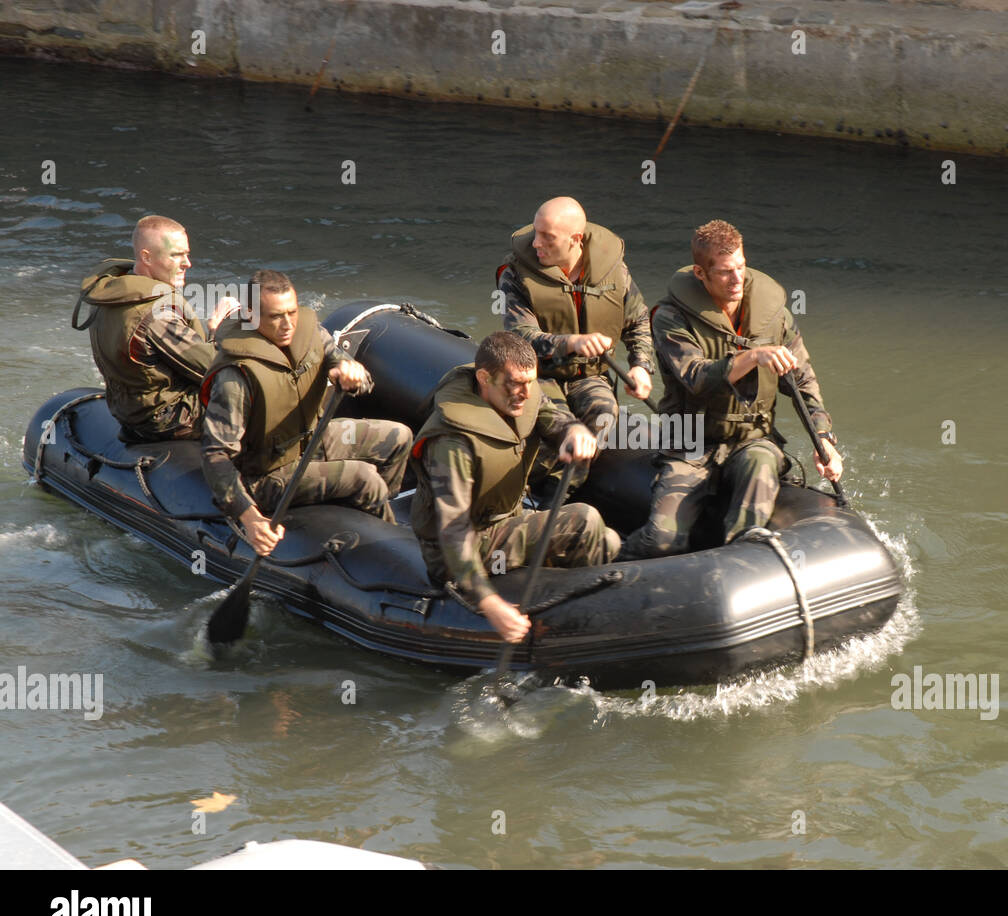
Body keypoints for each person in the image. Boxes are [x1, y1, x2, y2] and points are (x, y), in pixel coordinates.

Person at [617, 220, 843, 560]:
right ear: (700, 272)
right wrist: (752, 356)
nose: (737, 279)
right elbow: (695, 377)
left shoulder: (774, 317)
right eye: (724, 272)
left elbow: (803, 381)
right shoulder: (669, 318)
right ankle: (611, 561)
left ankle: (741, 560)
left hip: (751, 439)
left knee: (762, 461)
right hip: (689, 441)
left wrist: (823, 436)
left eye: (740, 267)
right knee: (662, 541)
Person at [409, 330, 621, 644]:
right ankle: (583, 625)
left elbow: (554, 417)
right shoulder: (451, 442)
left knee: (611, 541)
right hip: (459, 552)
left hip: (503, 522)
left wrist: (574, 430)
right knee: (584, 521)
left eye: (530, 382)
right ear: (484, 378)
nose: (524, 393)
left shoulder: (523, 395)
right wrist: (488, 600)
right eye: (515, 384)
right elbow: (453, 530)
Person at [200, 270, 412, 556]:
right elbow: (216, 455)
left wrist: (352, 374)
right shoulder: (235, 376)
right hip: (265, 474)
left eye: (292, 312)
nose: (287, 324)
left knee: (399, 437)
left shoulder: (312, 334)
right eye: (275, 316)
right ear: (250, 315)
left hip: (309, 441)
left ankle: (371, 520)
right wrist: (248, 516)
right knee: (364, 477)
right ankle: (394, 551)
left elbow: (360, 378)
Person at [497, 196, 655, 491]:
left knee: (605, 413)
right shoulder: (516, 275)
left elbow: (638, 321)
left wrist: (641, 366)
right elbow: (522, 336)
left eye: (547, 237)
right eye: (535, 233)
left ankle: (559, 493)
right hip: (537, 376)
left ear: (575, 240)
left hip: (589, 376)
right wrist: (570, 342)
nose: (535, 244)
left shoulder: (615, 272)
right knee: (555, 423)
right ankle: (519, 487)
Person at [75, 215, 241, 442]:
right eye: (176, 255)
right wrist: (218, 329)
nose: (187, 263)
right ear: (147, 257)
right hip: (168, 418)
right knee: (251, 392)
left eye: (187, 254)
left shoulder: (111, 294)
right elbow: (214, 371)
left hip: (129, 411)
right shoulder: (156, 315)